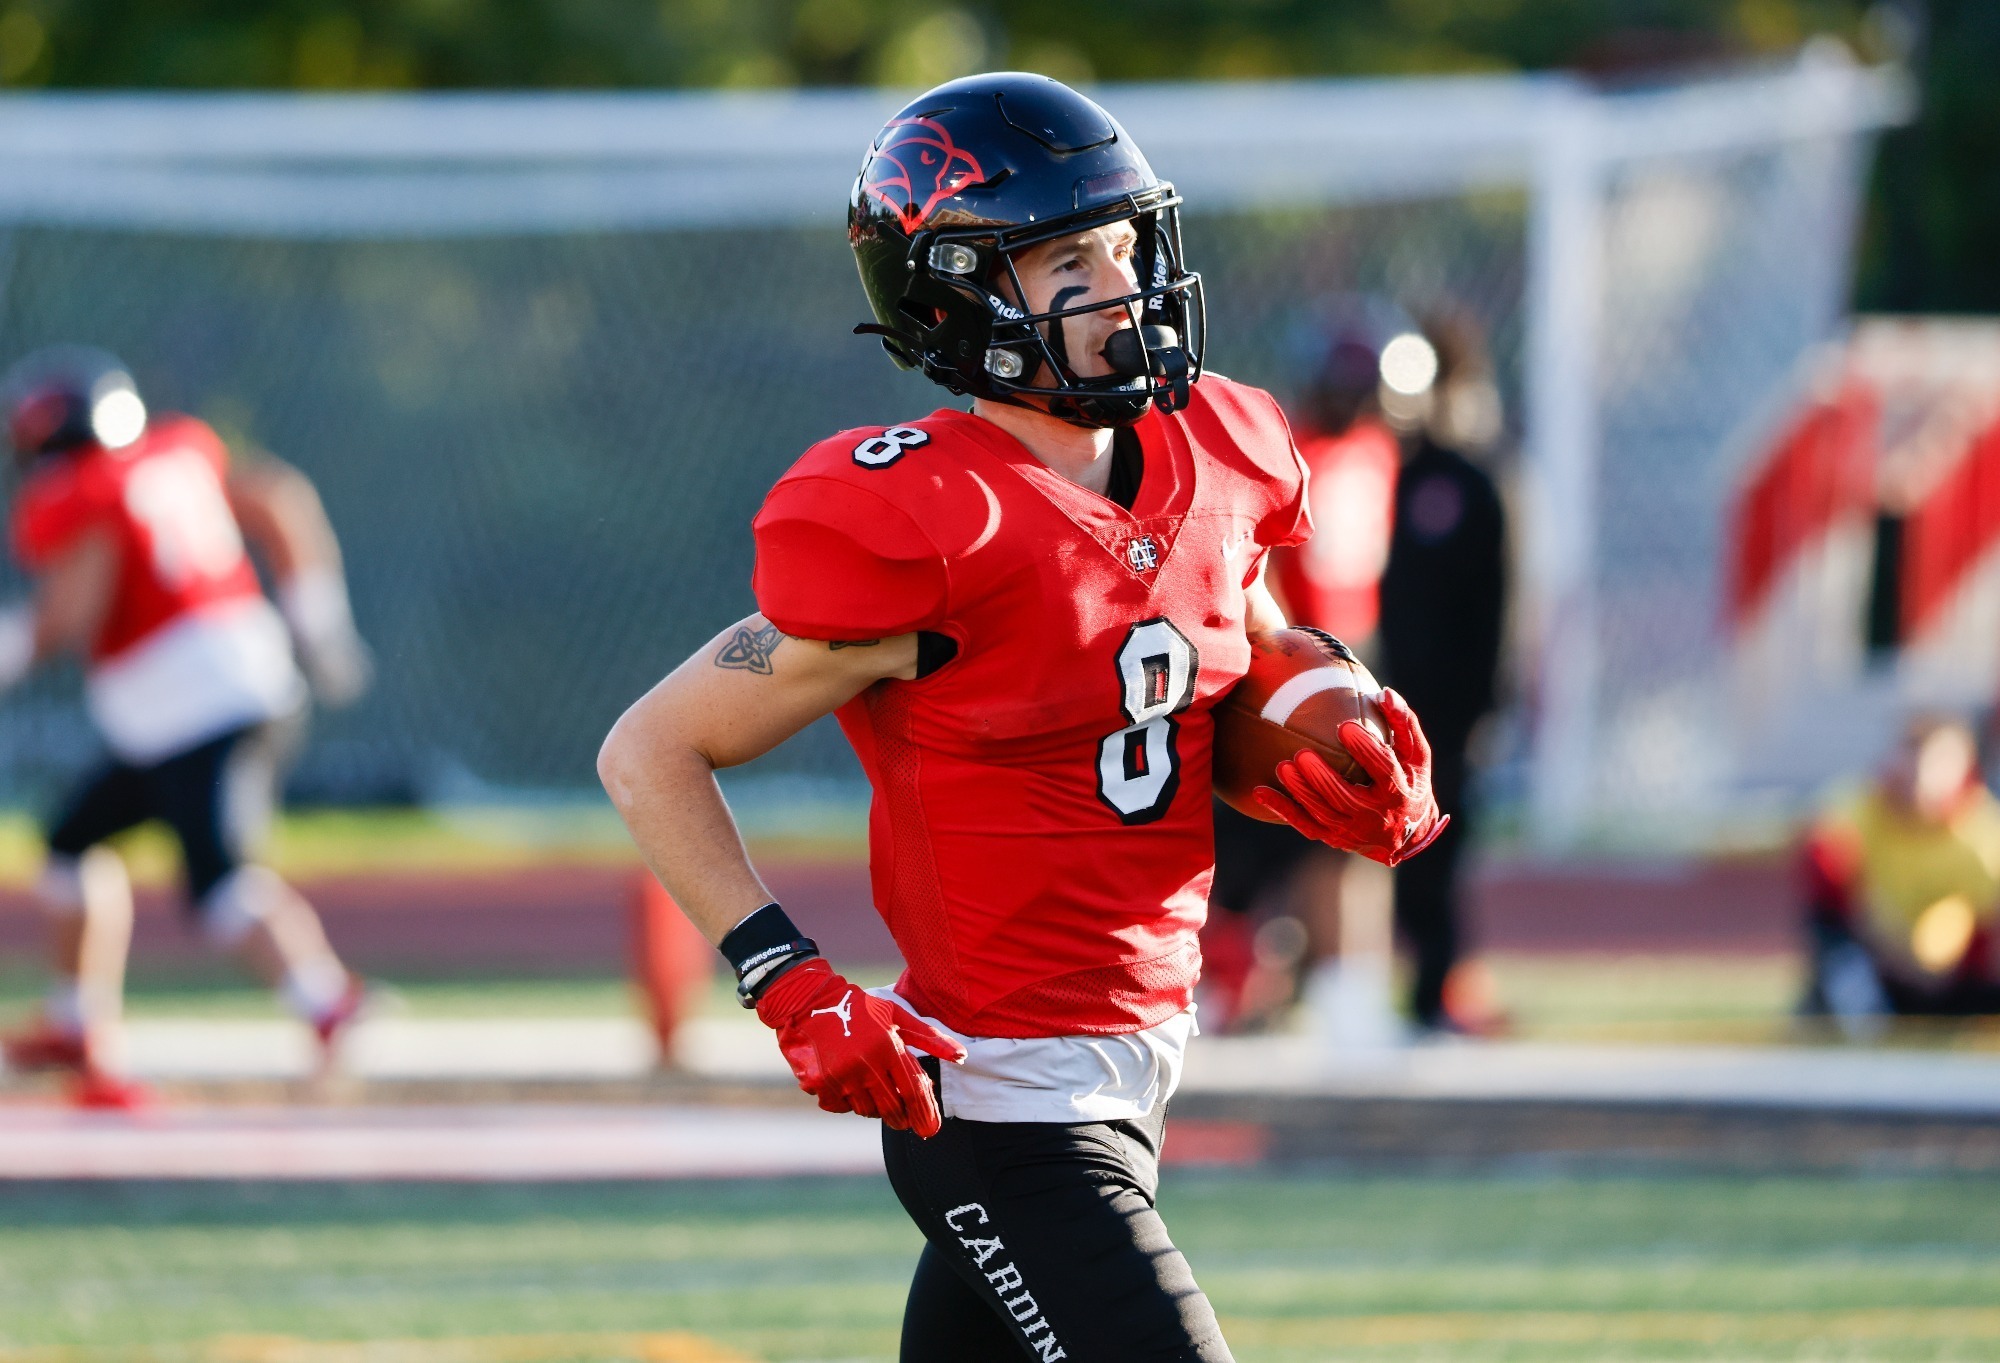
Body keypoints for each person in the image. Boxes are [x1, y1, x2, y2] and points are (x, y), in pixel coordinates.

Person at [599, 73, 1445, 1363]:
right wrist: (783, 974)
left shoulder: (1220, 452)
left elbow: (1229, 648)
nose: (1119, 282)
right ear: (956, 293)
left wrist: (1329, 720)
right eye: (1065, 257)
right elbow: (651, 748)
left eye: (1120, 241)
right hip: (1000, 1103)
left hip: (1137, 1065)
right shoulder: (932, 527)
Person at [0, 346, 372, 1104]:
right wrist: (316, 615)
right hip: (212, 695)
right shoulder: (178, 451)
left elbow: (76, 606)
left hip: (189, 708)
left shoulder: (82, 493)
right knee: (71, 846)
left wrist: (15, 649)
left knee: (220, 888)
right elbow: (279, 496)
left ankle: (330, 1002)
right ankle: (77, 1021)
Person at [1376, 310, 1508, 1035]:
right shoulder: (1387, 474)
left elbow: (1494, 601)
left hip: (1450, 705)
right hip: (1383, 688)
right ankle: (1390, 980)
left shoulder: (1465, 481)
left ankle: (1437, 981)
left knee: (1441, 841)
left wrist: (1484, 701)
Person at [1800, 714, 2000, 1028]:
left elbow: (1987, 931)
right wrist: (1887, 949)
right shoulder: (1857, 810)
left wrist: (1952, 970)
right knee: (1841, 961)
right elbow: (1828, 894)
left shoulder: (1981, 831)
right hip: (1876, 955)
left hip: (1951, 975)